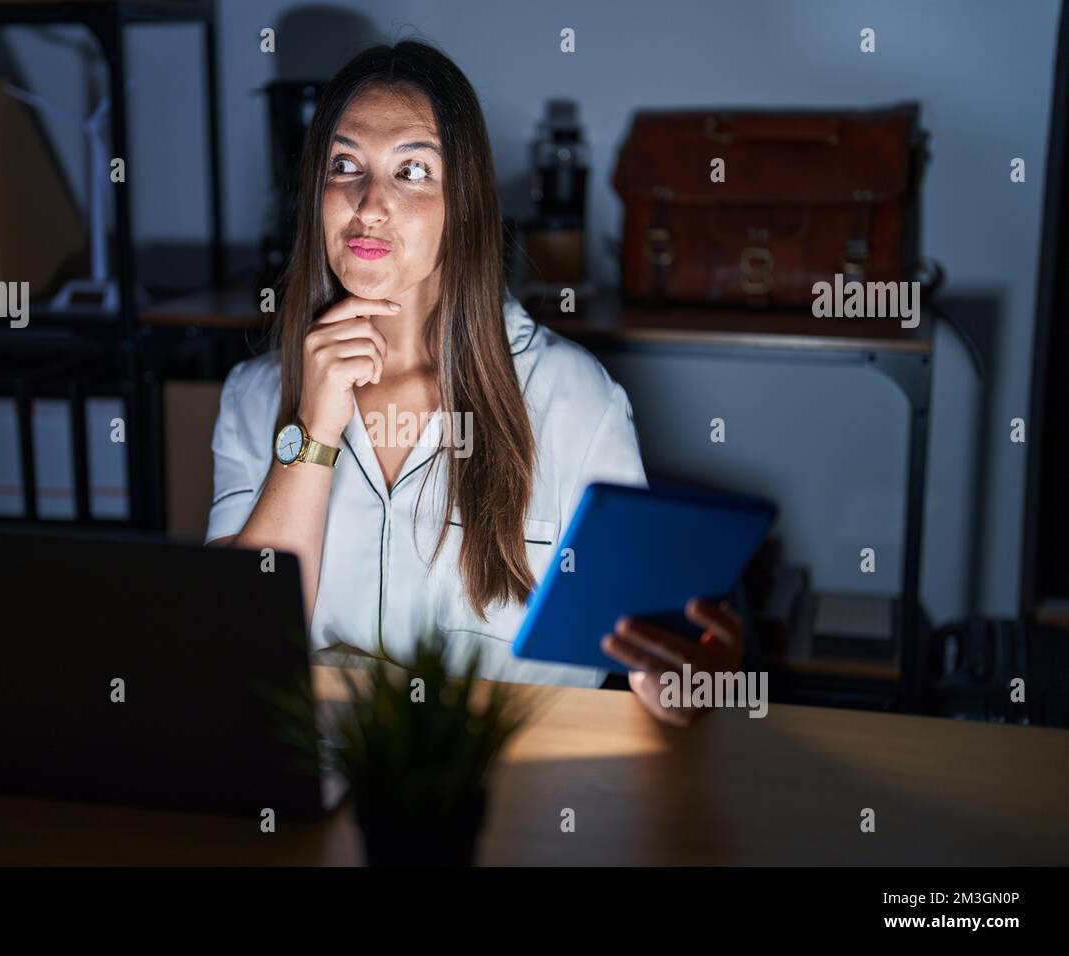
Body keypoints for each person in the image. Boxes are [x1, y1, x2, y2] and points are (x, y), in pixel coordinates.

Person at [207, 40, 743, 724]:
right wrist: (312, 434)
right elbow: (235, 643)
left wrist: (683, 686)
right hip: (321, 777)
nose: (369, 204)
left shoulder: (574, 398)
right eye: (346, 166)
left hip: (511, 793)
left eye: (411, 171)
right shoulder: (254, 398)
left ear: (462, 204)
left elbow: (650, 654)